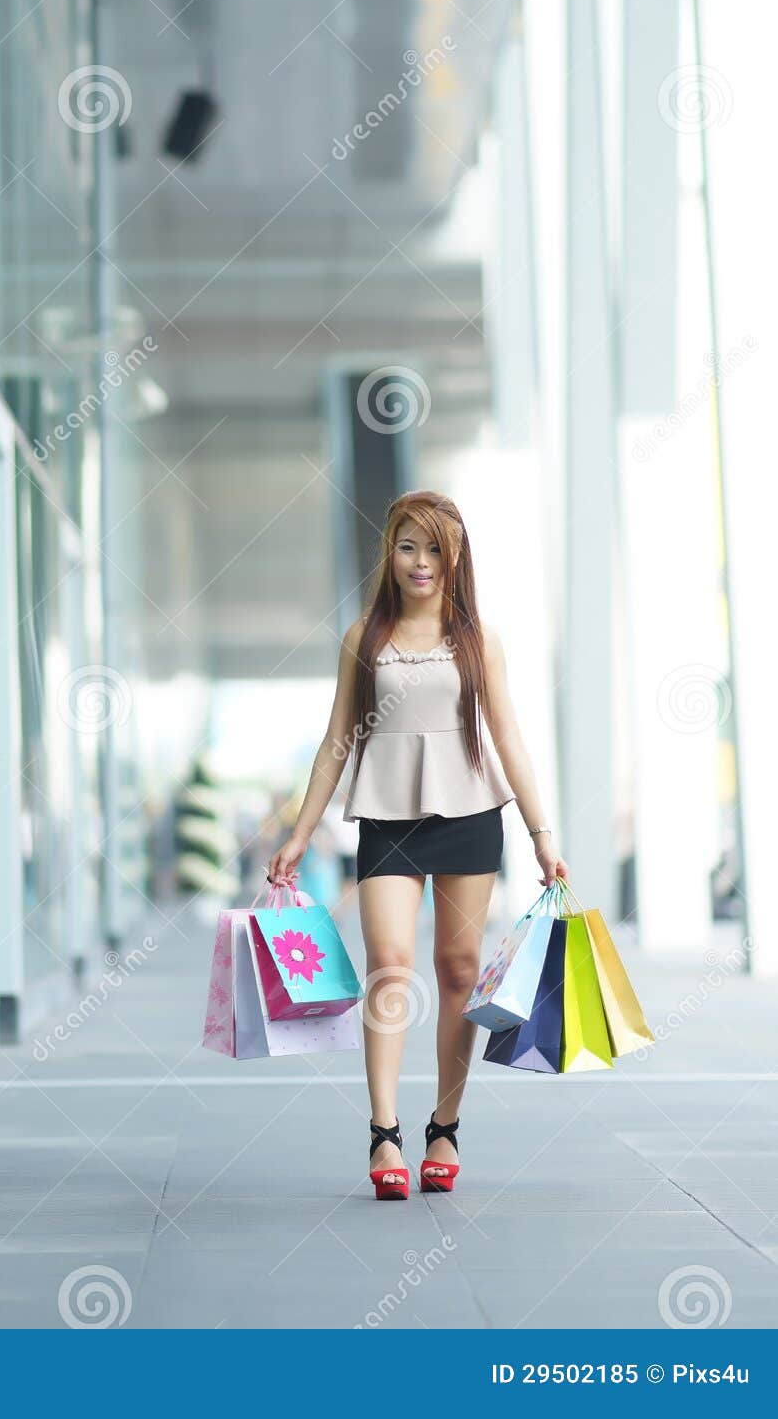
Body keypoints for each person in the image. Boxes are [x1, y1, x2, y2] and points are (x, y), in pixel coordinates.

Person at [268, 490, 566, 1200]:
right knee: (390, 966)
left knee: (459, 967)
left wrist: (541, 835)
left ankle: (444, 1126)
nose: (421, 561)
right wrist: (300, 833)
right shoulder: (362, 638)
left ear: (455, 555)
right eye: (407, 546)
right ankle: (382, 1133)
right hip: (387, 819)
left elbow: (509, 738)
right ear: (389, 555)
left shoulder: (478, 639)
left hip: (469, 815)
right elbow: (335, 742)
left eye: (434, 547)